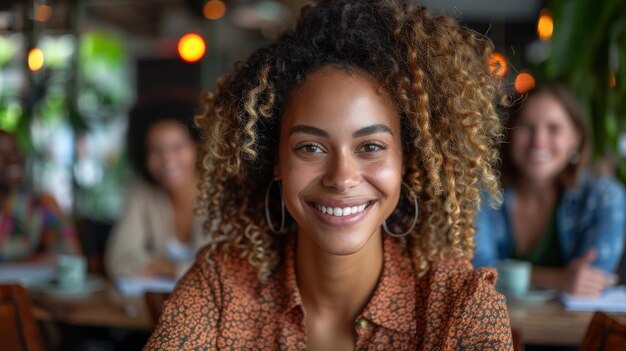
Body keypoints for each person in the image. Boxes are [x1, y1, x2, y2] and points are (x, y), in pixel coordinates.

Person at [145, 0, 512, 349]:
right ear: (275, 161)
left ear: (408, 160)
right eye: (311, 147)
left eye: (370, 147)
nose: (341, 177)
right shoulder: (221, 286)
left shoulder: (459, 307)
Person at [473, 84, 626, 297]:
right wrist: (558, 279)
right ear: (510, 133)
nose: (539, 141)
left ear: (576, 138)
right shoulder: (482, 191)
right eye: (527, 126)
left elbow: (592, 279)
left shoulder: (605, 197)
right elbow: (477, 270)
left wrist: (510, 273)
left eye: (554, 128)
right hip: (492, 325)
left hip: (567, 328)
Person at [105, 93, 206, 279]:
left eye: (177, 147)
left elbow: (222, 271)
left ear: (197, 149)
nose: (167, 159)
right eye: (156, 150)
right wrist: (186, 270)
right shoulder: (141, 192)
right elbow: (118, 261)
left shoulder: (218, 194)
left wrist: (165, 268)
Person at [0, 129, 80, 261]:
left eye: (15, 151)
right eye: (1, 153)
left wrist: (33, 261)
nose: (13, 158)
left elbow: (70, 258)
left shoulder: (41, 206)